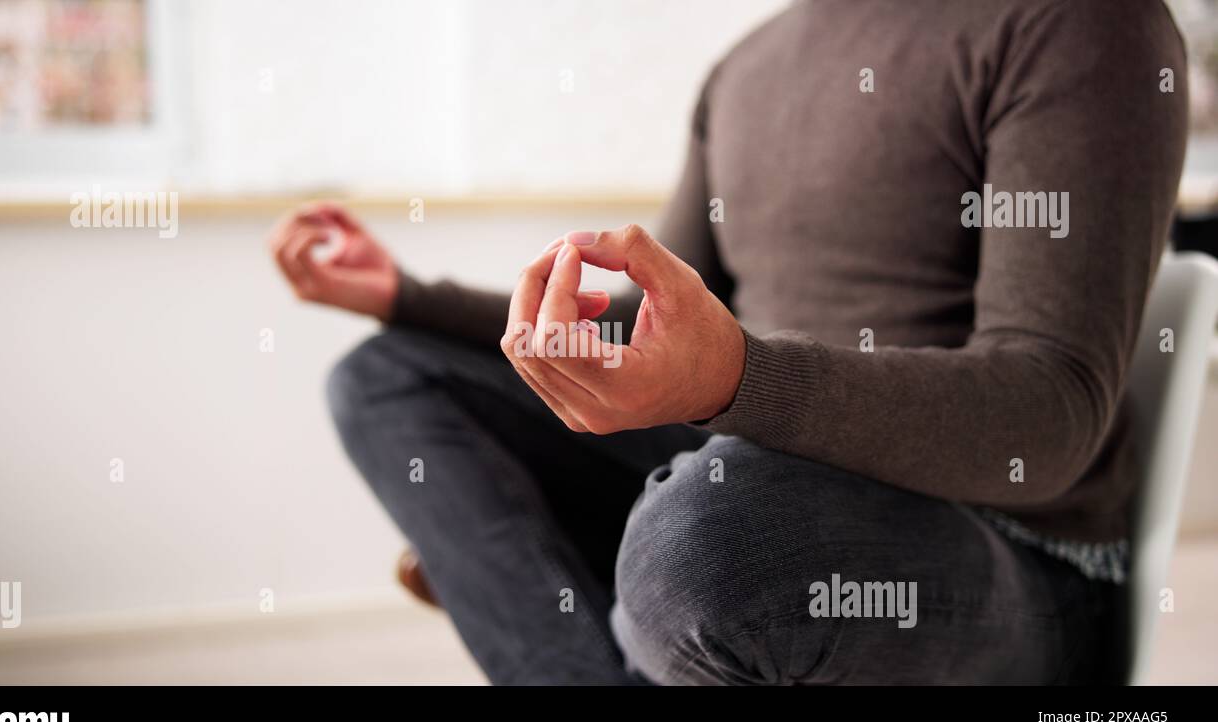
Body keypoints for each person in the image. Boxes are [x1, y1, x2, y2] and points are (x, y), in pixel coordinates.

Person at [269, 0, 1188, 685]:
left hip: (1004, 555)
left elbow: (1048, 417)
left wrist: (739, 378)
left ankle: (611, 583)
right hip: (765, 478)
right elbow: (650, 332)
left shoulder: (1082, 23)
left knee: (712, 543)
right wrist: (404, 296)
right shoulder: (747, 68)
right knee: (386, 375)